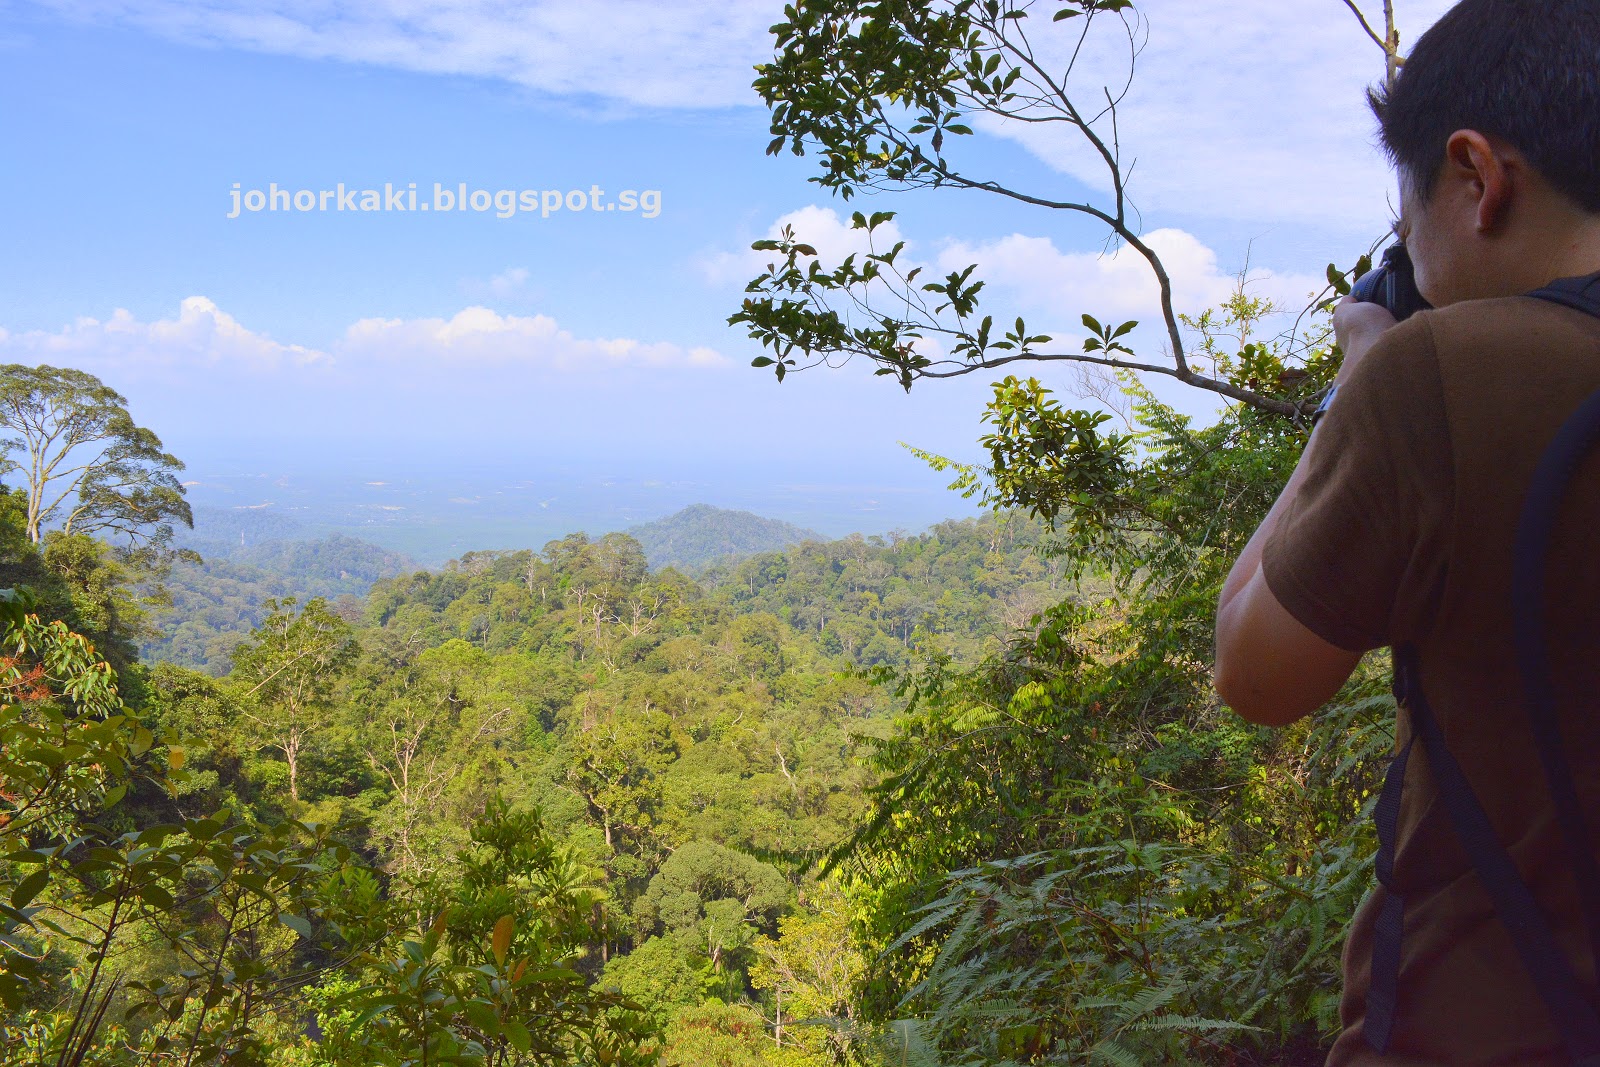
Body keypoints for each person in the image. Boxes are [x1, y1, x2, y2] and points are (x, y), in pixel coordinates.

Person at [1212, 0, 1600, 1062]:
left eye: (1407, 218)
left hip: (1491, 1024)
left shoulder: (1445, 376)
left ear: (1477, 177)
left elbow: (1254, 668)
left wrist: (1360, 377)